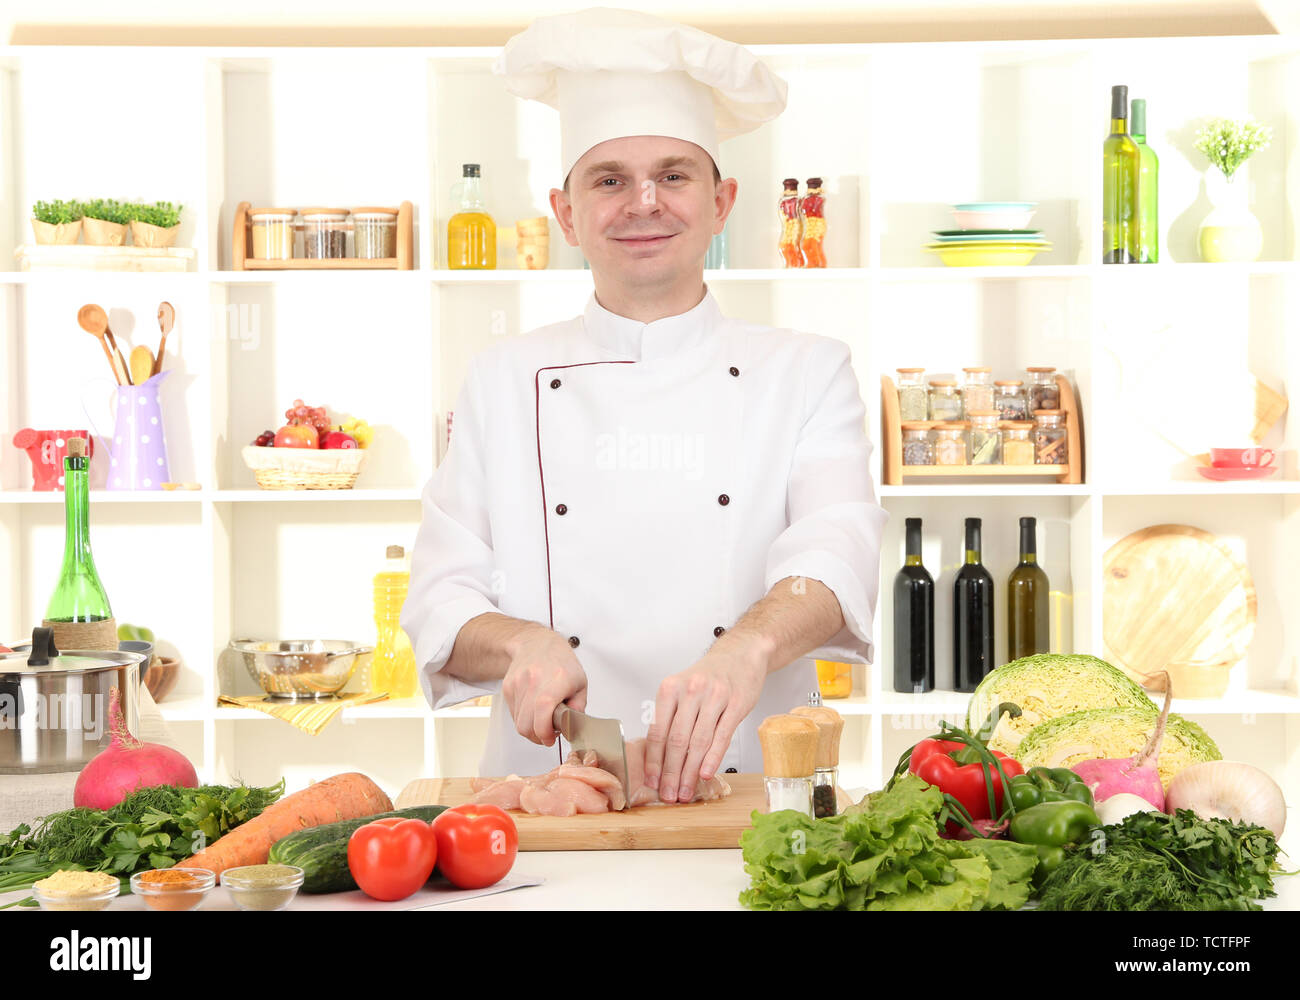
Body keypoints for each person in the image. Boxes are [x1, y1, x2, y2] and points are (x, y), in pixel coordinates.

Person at [403, 8, 887, 803]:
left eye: (672, 174)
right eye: (609, 180)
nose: (643, 203)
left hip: (753, 799)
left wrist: (748, 647)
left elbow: (835, 555)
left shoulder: (806, 370)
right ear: (566, 215)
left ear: (722, 201)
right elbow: (440, 597)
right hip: (545, 793)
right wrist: (520, 643)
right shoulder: (501, 377)